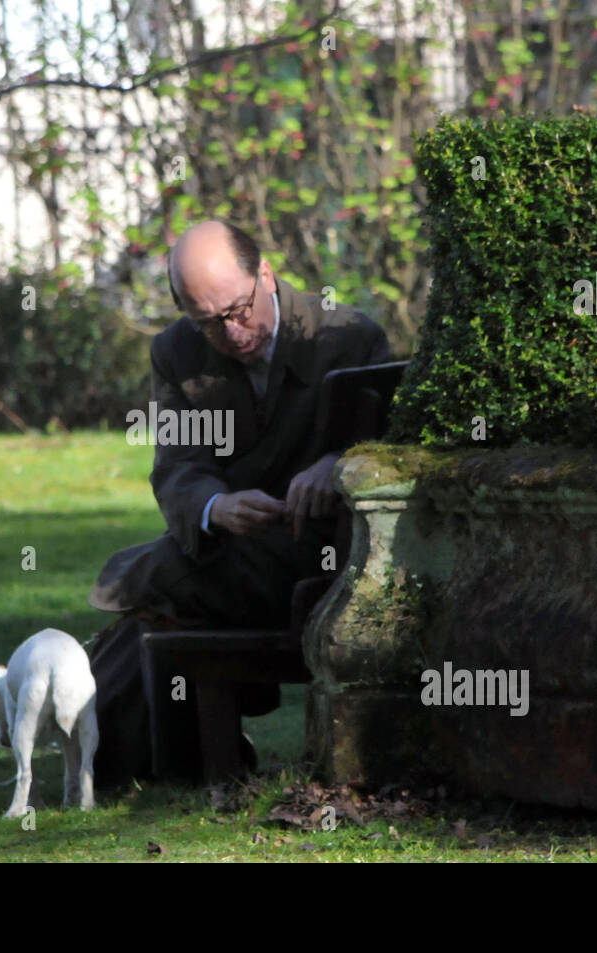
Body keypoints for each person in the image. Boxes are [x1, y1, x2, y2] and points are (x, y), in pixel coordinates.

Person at [88, 219, 393, 789]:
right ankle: (152, 760)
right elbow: (179, 466)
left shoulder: (348, 337)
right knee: (173, 600)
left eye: (238, 310)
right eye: (208, 323)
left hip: (326, 557)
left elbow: (394, 449)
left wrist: (338, 465)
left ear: (266, 274)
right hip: (234, 551)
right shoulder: (177, 352)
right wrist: (216, 507)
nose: (231, 332)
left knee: (165, 577)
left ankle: (127, 585)